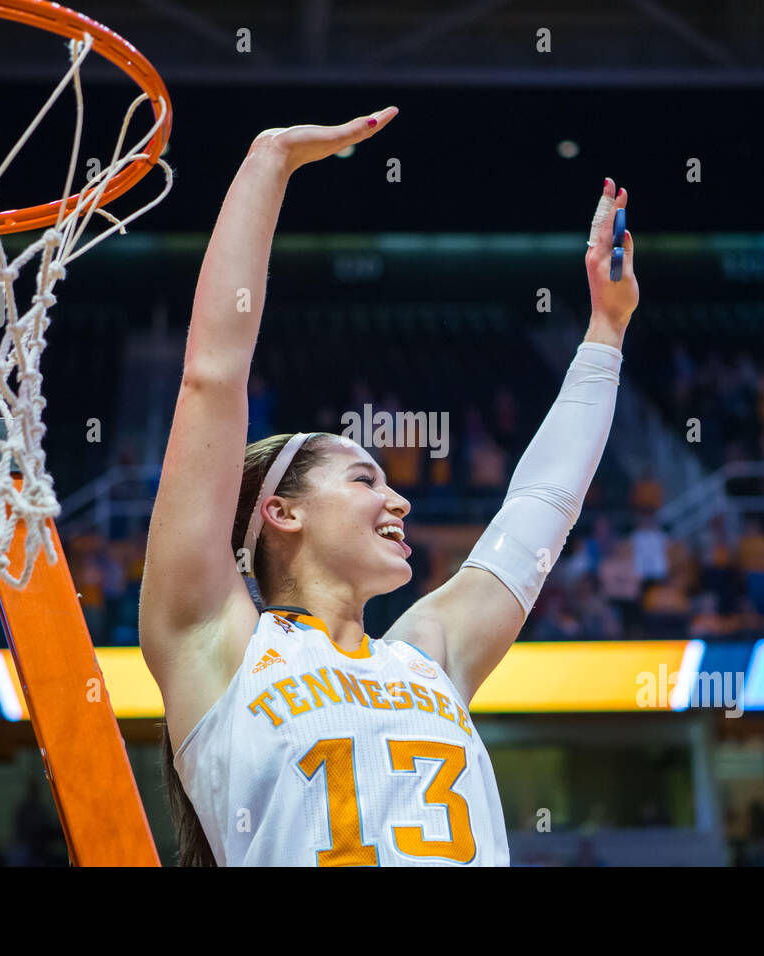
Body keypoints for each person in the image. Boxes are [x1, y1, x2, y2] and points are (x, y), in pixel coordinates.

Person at [138, 108, 639, 866]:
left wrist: (606, 329)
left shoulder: (425, 655)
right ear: (281, 511)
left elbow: (542, 506)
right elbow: (213, 378)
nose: (399, 500)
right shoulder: (218, 644)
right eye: (365, 477)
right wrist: (268, 163)